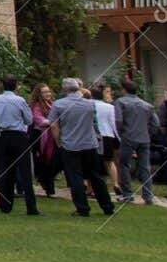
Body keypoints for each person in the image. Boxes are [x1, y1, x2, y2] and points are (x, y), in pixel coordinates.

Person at [47, 78, 116, 217]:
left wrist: (58, 141)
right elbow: (94, 123)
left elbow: (53, 125)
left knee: (75, 177)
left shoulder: (58, 104)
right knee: (95, 176)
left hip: (69, 144)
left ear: (65, 89)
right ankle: (108, 207)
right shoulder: (90, 104)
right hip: (89, 143)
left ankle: (82, 208)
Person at [0, 75, 39, 215]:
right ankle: (31, 207)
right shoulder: (19, 100)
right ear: (16, 85)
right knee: (25, 172)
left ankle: (5, 206)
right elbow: (29, 120)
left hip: (3, 136)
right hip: (18, 135)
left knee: (5, 172)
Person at [114, 76, 158, 205]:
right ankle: (148, 196)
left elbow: (118, 121)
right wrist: (149, 133)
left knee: (124, 165)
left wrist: (120, 133)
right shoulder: (147, 105)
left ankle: (128, 194)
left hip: (128, 136)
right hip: (144, 138)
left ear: (124, 89)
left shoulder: (121, 102)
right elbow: (156, 123)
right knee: (145, 167)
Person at [30, 84, 60, 197]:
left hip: (52, 135)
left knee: (55, 161)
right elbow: (39, 120)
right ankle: (49, 188)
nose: (48, 94)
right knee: (45, 162)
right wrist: (54, 121)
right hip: (41, 137)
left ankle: (44, 180)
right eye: (44, 92)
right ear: (39, 94)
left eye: (48, 91)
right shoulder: (37, 106)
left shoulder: (52, 104)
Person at [92, 82, 120, 197]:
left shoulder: (88, 105)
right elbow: (113, 123)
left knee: (94, 162)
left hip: (94, 135)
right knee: (109, 161)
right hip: (108, 134)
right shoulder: (110, 107)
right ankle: (116, 183)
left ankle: (92, 188)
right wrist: (117, 137)